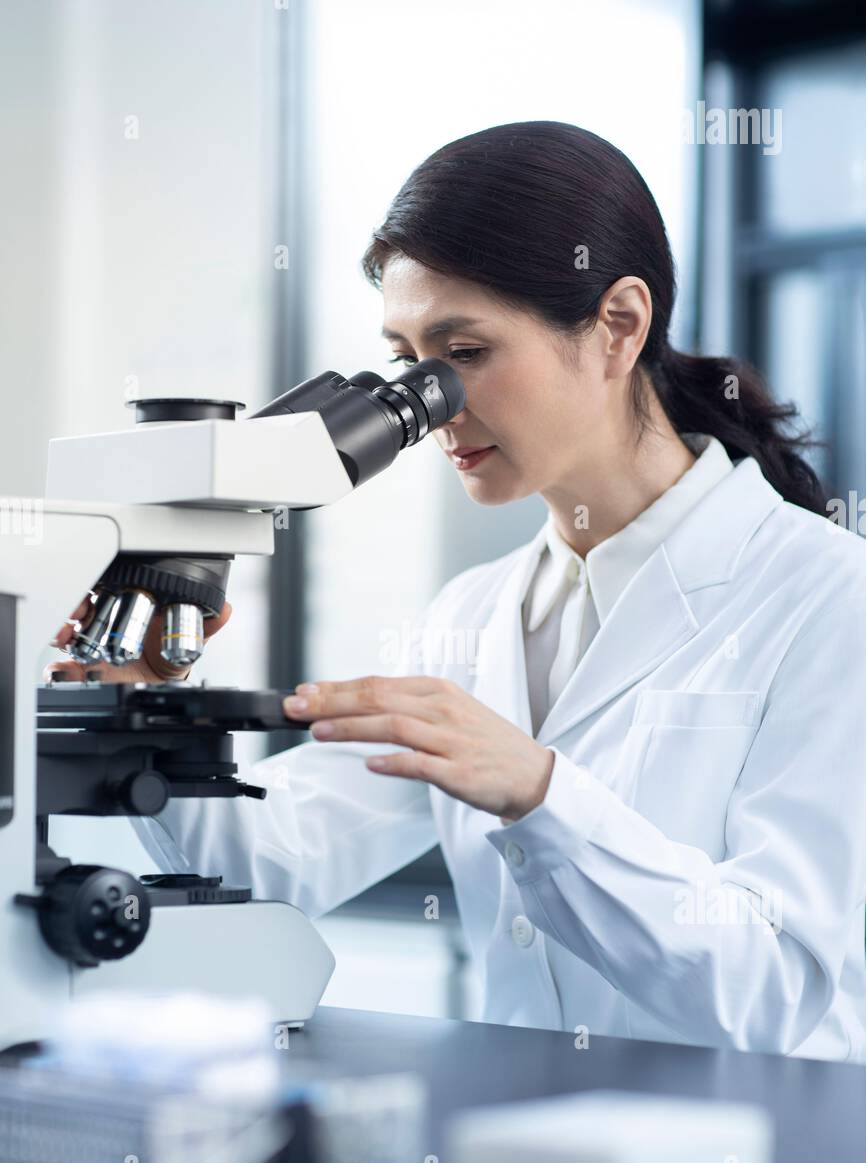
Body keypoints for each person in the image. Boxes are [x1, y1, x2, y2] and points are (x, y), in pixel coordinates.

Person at [49, 121, 866, 1063]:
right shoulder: (473, 618)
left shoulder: (824, 595)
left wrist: (537, 792)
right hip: (518, 1156)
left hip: (765, 1162)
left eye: (464, 352)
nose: (433, 406)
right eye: (407, 362)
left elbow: (773, 991)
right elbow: (271, 862)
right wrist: (143, 698)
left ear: (619, 326)